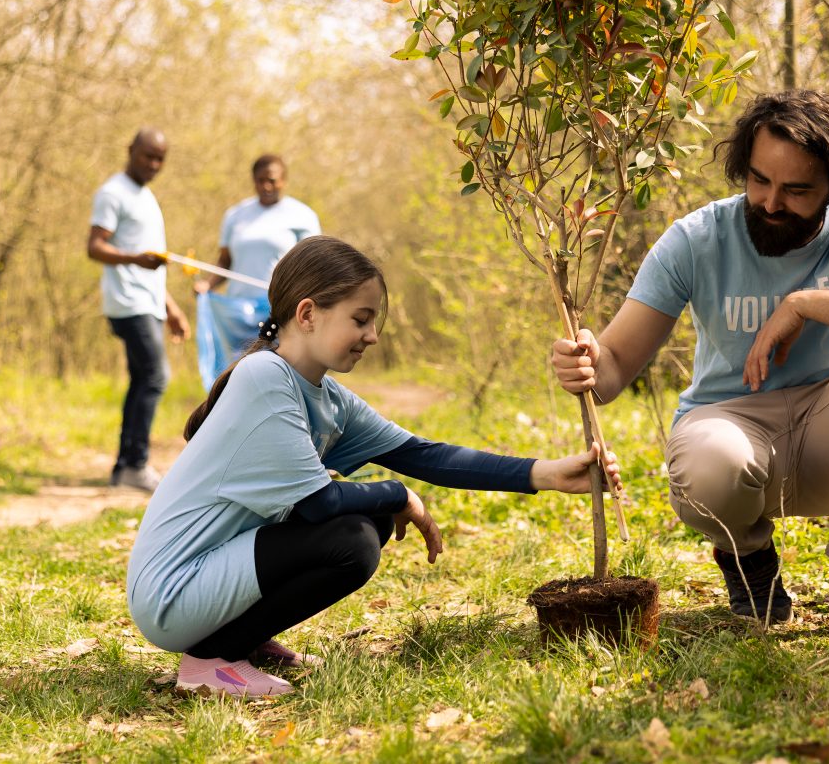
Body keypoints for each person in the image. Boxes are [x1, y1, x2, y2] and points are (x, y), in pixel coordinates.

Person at [128, 235, 622, 698]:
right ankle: (210, 660)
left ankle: (243, 638)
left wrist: (550, 474)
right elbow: (319, 504)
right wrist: (399, 494)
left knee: (367, 522)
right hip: (175, 589)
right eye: (360, 319)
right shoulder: (265, 378)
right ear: (308, 314)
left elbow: (426, 455)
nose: (374, 335)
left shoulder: (329, 399)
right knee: (353, 540)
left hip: (211, 578)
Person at [551, 89, 829, 642]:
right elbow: (615, 365)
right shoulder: (696, 240)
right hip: (731, 426)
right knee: (711, 466)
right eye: (758, 180)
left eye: (796, 190)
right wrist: (584, 364)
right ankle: (750, 560)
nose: (771, 202)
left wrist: (802, 305)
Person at [87, 128, 190, 492]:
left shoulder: (146, 197)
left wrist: (172, 308)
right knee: (156, 376)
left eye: (160, 158)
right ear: (130, 150)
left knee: (141, 379)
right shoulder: (113, 193)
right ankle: (135, 464)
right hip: (127, 302)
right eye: (147, 156)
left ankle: (124, 467)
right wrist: (135, 259)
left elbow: (152, 264)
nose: (154, 164)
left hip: (148, 301)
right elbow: (95, 246)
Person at [195, 154, 320, 380]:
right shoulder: (235, 216)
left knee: (275, 369)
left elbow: (312, 265)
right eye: (260, 180)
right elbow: (225, 261)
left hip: (279, 311)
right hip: (238, 313)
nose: (266, 186)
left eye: (272, 180)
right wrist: (207, 285)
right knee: (239, 372)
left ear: (283, 180)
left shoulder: (302, 216)